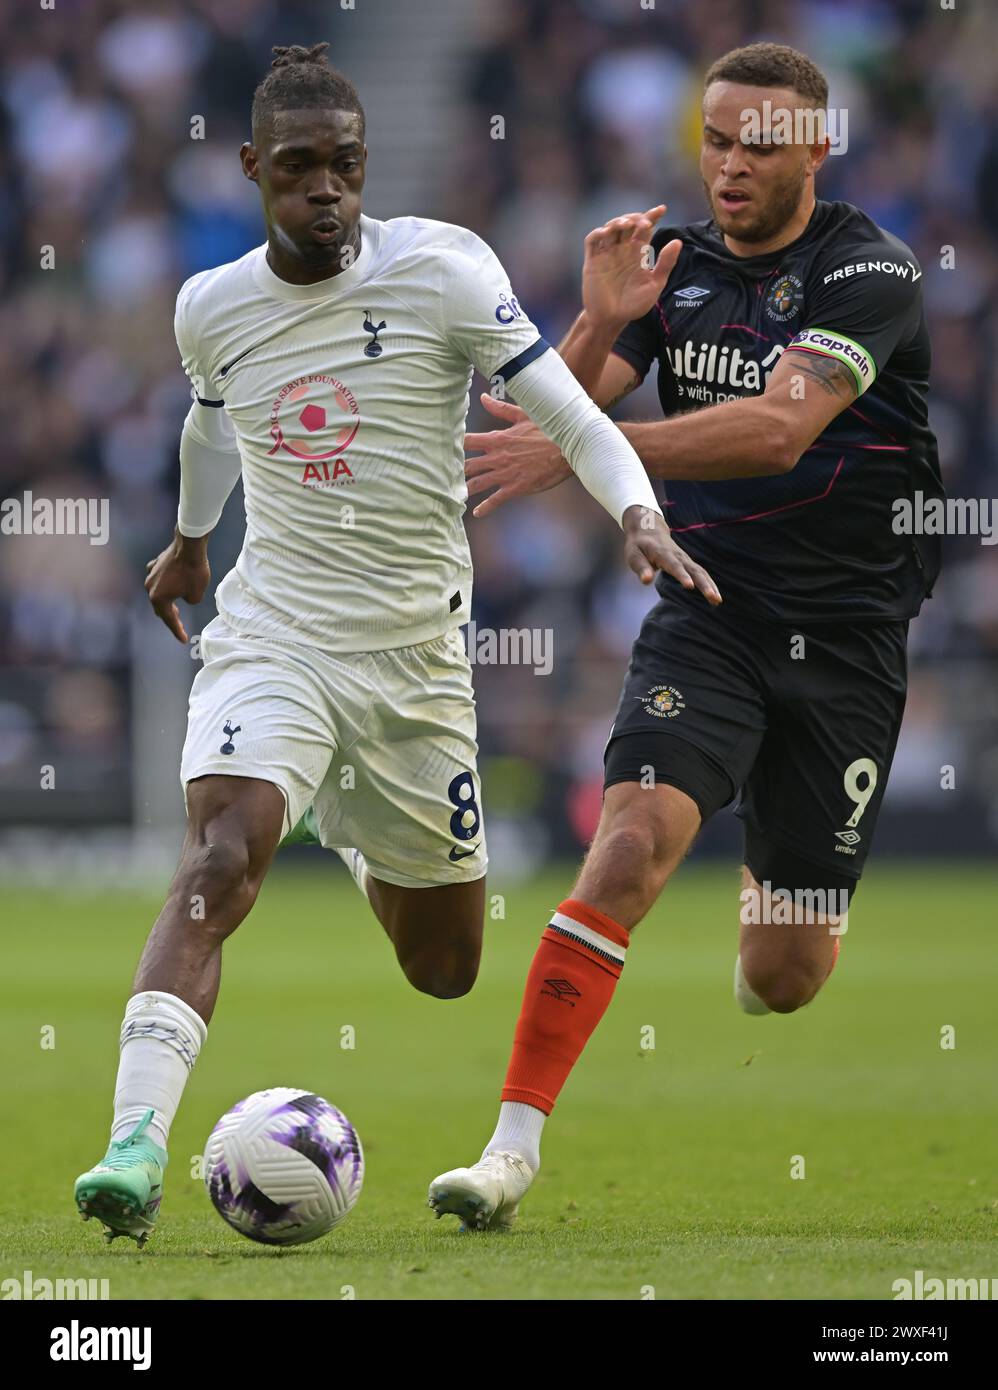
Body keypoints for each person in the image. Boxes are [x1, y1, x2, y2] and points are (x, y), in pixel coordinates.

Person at [73, 42, 718, 1247]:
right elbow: (211, 429)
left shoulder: (443, 271)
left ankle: (352, 826)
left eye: (347, 167)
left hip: (416, 666)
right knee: (218, 860)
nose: (328, 190)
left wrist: (636, 509)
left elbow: (571, 418)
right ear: (257, 169)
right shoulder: (210, 305)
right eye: (302, 169)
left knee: (444, 967)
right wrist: (190, 541)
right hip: (274, 636)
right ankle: (135, 1144)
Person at [429, 42, 943, 1230]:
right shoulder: (677, 268)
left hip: (850, 637)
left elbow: (775, 430)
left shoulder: (871, 267)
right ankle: (508, 1150)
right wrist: (595, 322)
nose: (728, 165)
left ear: (817, 148)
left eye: (759, 144)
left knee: (784, 975)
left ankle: (780, 894)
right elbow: (541, 412)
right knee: (622, 854)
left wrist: (584, 449)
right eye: (713, 139)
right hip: (706, 610)